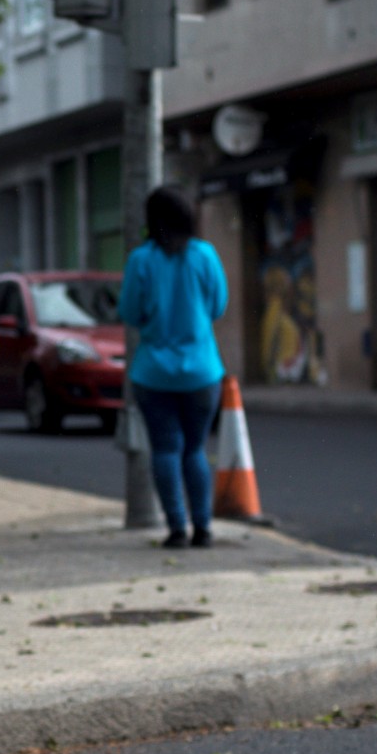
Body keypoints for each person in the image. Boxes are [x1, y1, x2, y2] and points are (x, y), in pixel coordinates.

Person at [119, 185, 229, 548]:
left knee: (165, 450)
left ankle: (177, 529)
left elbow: (130, 313)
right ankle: (204, 529)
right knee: (195, 449)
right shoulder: (204, 255)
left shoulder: (141, 260)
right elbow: (218, 307)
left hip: (153, 373)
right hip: (202, 371)